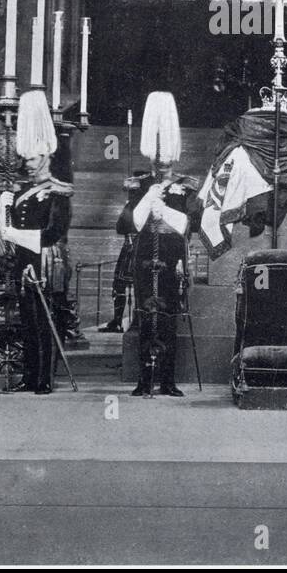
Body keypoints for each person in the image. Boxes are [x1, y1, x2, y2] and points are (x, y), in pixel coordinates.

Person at [118, 92, 194, 397]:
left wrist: (169, 213)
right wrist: (148, 200)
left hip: (172, 255)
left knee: (167, 318)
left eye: (165, 156)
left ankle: (168, 380)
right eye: (157, 155)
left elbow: (191, 224)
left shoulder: (184, 187)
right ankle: (144, 379)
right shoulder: (140, 186)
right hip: (144, 253)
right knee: (144, 315)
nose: (161, 162)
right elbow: (125, 224)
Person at [0, 91, 73, 393]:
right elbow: (6, 230)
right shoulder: (20, 192)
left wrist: (14, 234)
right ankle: (29, 376)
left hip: (45, 261)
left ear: (45, 156)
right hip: (24, 262)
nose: (26, 163)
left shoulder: (59, 192)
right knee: (27, 322)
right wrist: (4, 206)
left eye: (31, 158)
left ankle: (44, 379)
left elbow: (54, 232)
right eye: (25, 158)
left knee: (45, 321)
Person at [99, 180, 139, 332]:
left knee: (120, 285)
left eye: (132, 191)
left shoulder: (132, 206)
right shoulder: (135, 205)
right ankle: (120, 321)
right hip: (131, 248)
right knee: (124, 286)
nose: (130, 194)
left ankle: (118, 321)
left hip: (131, 250)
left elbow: (120, 226)